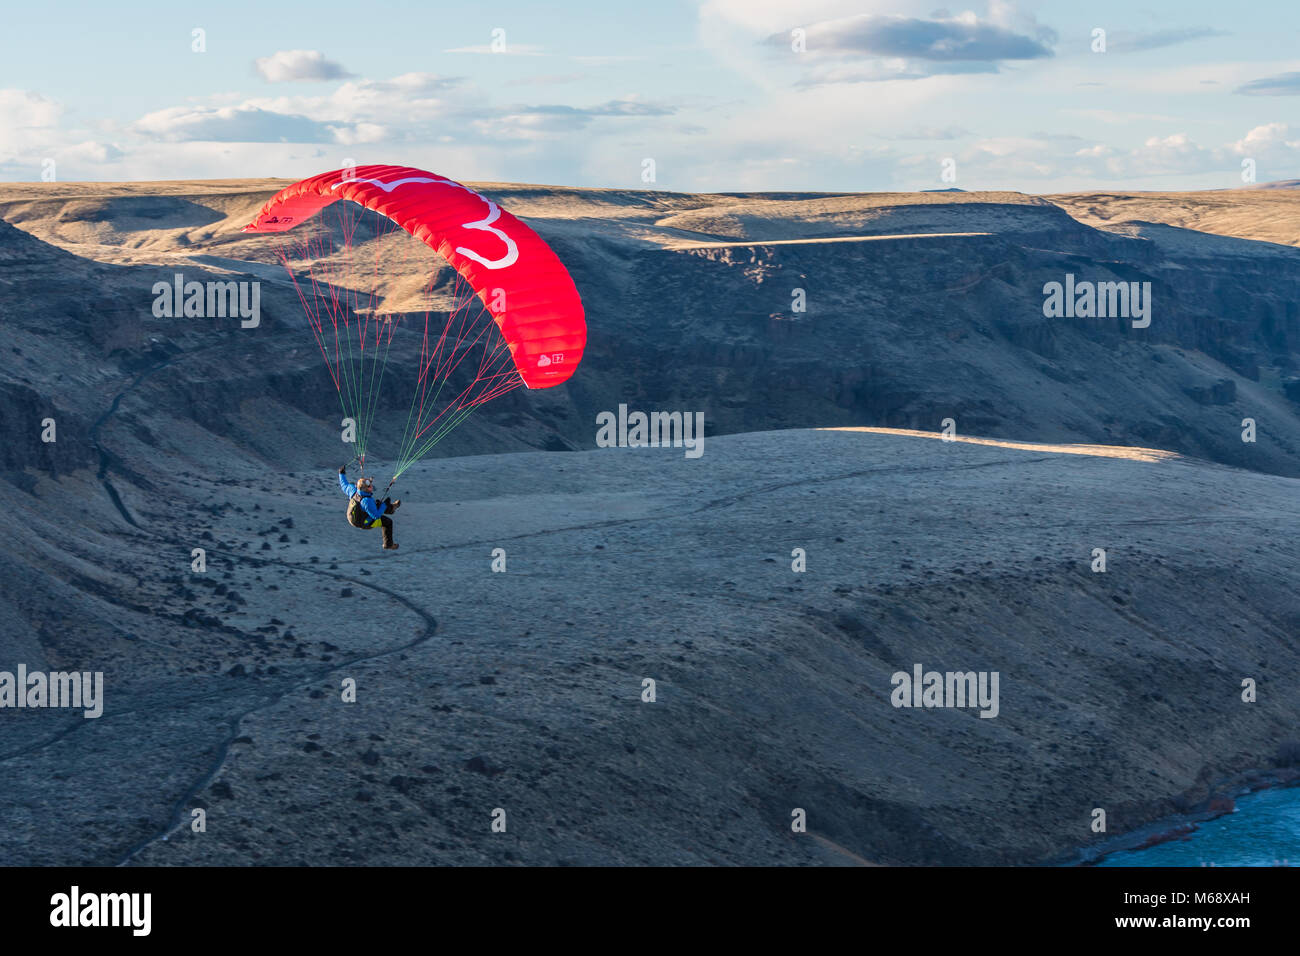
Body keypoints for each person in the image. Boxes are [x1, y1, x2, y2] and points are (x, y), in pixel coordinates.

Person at [339, 465, 401, 550]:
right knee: (387, 522)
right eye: (370, 485)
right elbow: (376, 516)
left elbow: (344, 485)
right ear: (366, 489)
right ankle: (388, 544)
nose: (372, 485)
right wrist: (384, 505)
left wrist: (341, 473)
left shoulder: (353, 490)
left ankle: (392, 508)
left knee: (377, 504)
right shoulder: (366, 501)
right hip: (363, 522)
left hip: (353, 517)